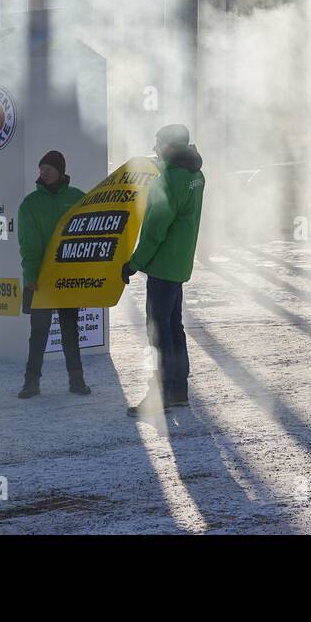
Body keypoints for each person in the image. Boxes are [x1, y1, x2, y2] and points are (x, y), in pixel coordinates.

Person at [123, 124, 205, 416]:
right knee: (174, 327)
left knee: (158, 332)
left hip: (162, 266)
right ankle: (179, 390)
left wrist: (133, 264)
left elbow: (155, 230)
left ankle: (161, 395)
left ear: (170, 146)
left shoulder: (169, 180)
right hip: (179, 264)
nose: (155, 147)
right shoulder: (195, 174)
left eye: (158, 143)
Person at [17, 151, 91, 398]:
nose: (44, 172)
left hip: (67, 278)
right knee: (39, 332)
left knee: (70, 330)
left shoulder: (78, 199)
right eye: (41, 168)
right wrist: (30, 274)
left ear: (61, 170)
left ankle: (77, 380)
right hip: (41, 280)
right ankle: (31, 382)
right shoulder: (30, 204)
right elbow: (29, 244)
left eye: (49, 168)